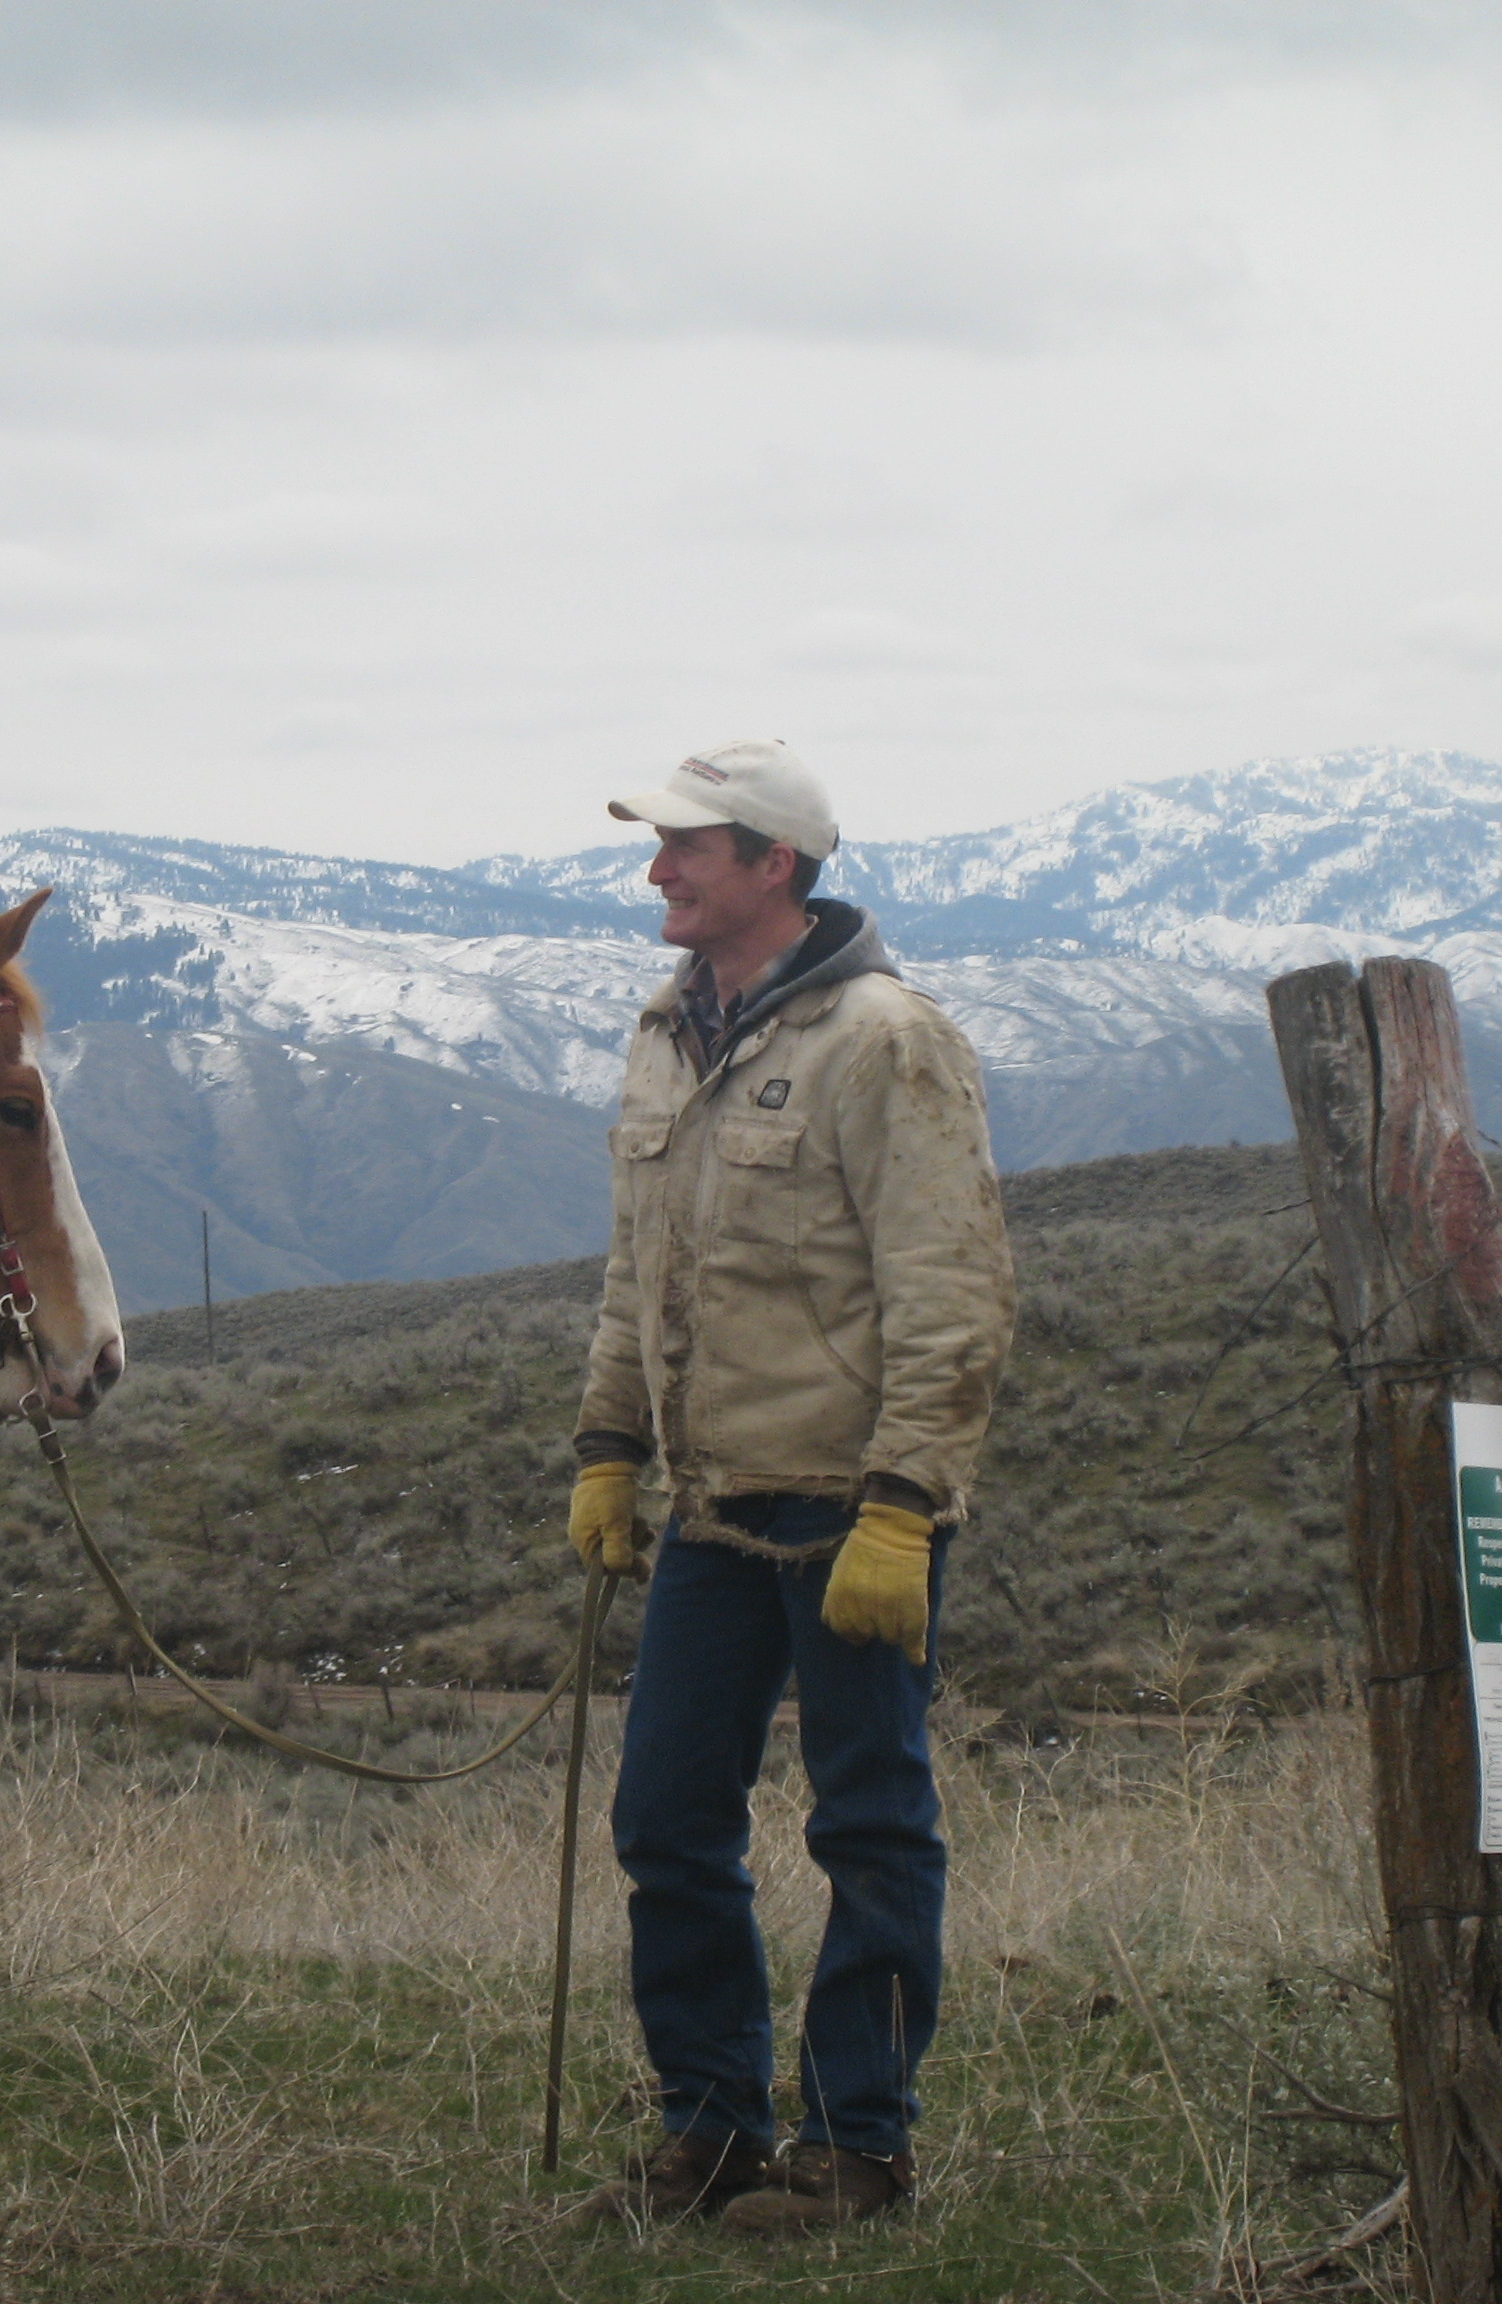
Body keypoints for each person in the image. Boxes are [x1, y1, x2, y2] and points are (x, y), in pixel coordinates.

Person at [568, 738, 1016, 2235]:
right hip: (711, 1505)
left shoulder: (885, 1039)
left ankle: (859, 2150)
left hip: (849, 1505)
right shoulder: (667, 1028)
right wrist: (608, 1447)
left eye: (686, 847)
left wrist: (906, 1505)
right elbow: (640, 1271)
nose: (658, 872)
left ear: (773, 862)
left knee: (870, 1823)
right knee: (667, 1817)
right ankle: (711, 2129)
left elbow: (953, 1290)